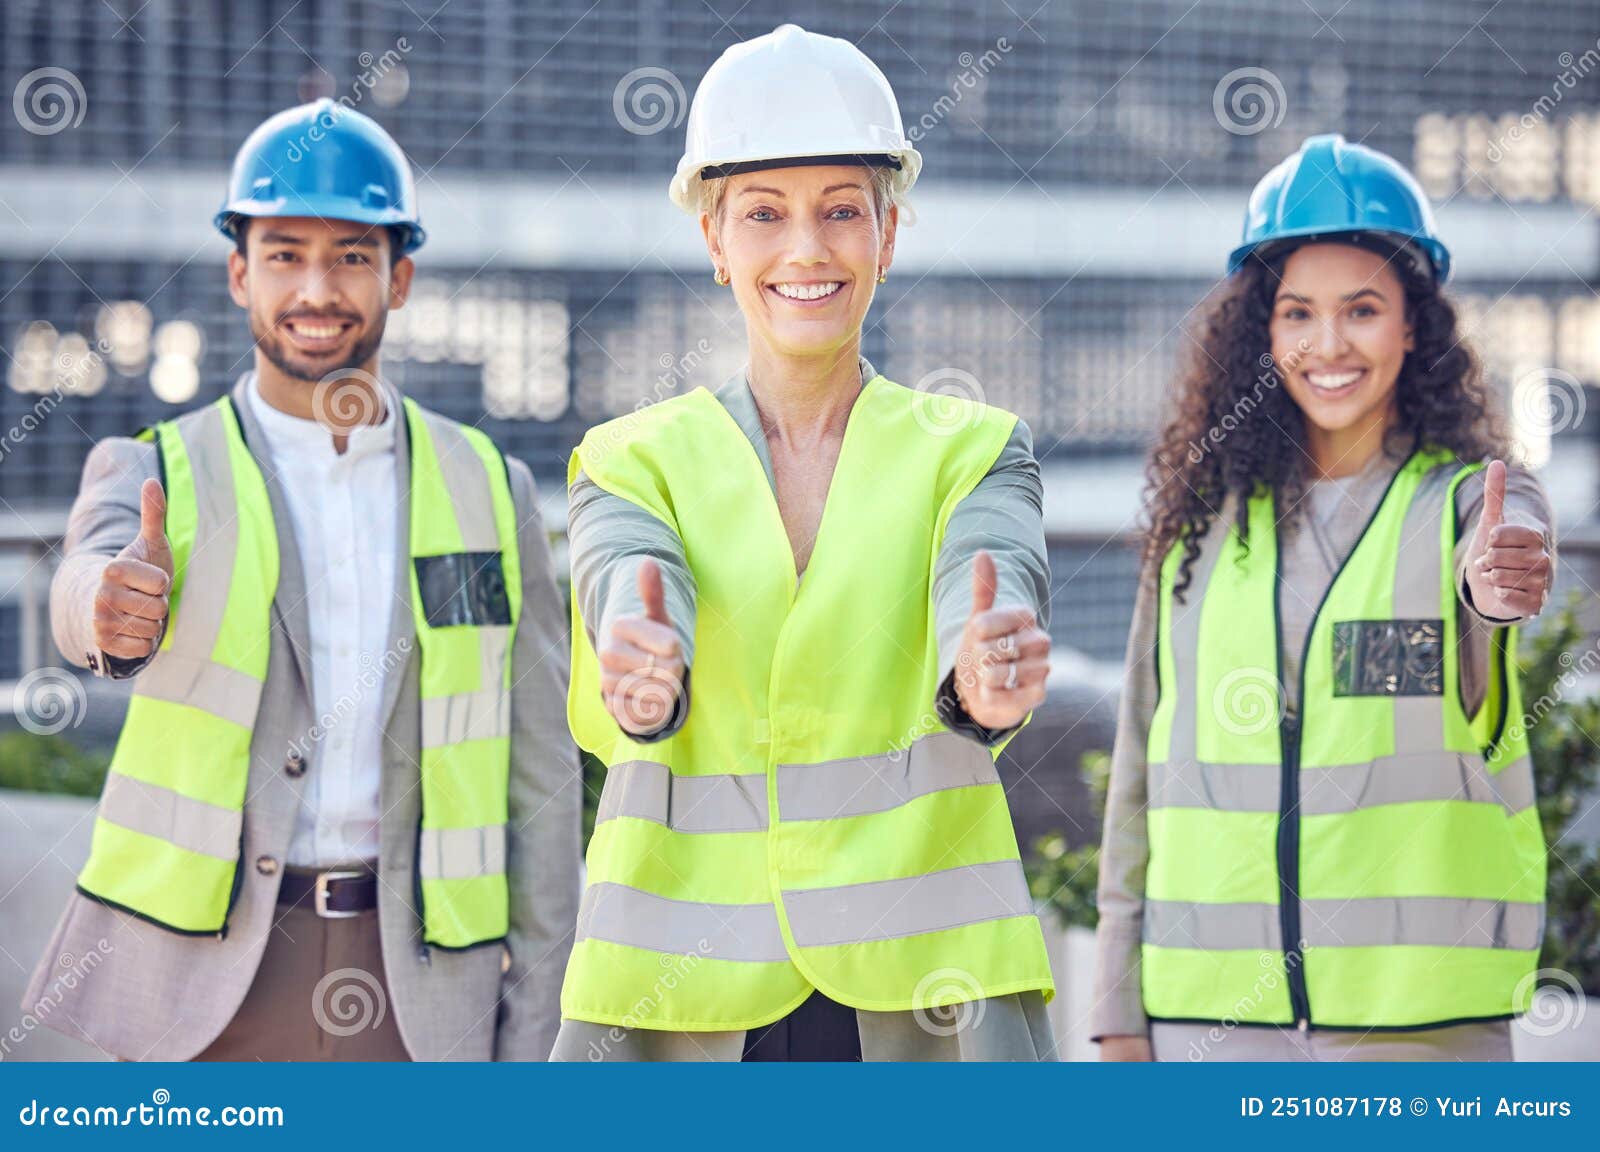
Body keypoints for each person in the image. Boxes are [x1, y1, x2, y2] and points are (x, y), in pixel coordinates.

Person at [20, 99, 581, 1061]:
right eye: (284, 253)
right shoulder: (155, 468)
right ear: (240, 272)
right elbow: (88, 585)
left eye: (351, 256)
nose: (316, 288)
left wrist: (535, 1029)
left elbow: (543, 778)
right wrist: (106, 610)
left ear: (399, 277)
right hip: (208, 985)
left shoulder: (492, 489)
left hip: (424, 986)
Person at [550, 25, 1057, 1062]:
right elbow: (624, 589)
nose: (807, 250)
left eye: (841, 212)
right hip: (681, 1001)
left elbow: (990, 579)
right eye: (764, 215)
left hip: (925, 1002)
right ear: (715, 243)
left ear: (888, 233)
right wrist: (645, 675)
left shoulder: (972, 449)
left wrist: (982, 676)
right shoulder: (628, 459)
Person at [1091, 134, 1553, 1062]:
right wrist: (1116, 1010)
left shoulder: (1466, 502)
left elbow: (1502, 559)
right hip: (1207, 1026)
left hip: (1421, 1028)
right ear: (1263, 333)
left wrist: (1501, 577)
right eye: (1299, 313)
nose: (1328, 344)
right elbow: (1138, 775)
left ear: (1413, 325)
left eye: (1363, 309)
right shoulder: (1197, 529)